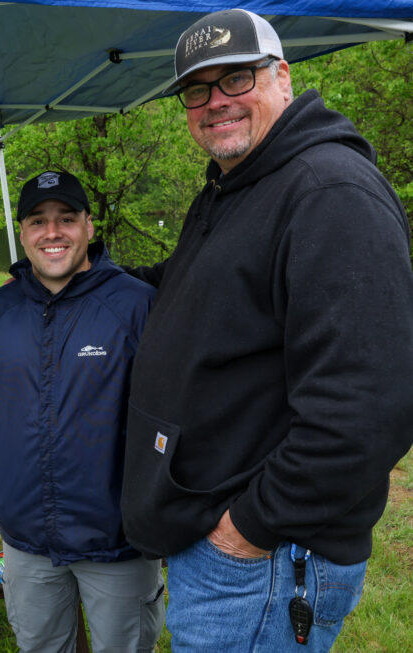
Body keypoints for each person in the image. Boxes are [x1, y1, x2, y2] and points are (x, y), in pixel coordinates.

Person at [119, 10, 413, 652]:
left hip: (266, 560)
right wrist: (82, 281)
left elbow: (368, 411)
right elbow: (194, 283)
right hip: (221, 546)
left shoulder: (329, 193)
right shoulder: (238, 185)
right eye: (198, 90)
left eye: (236, 79)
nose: (215, 103)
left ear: (281, 76)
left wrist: (245, 530)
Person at [0, 171, 164, 653]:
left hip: (117, 541)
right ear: (23, 232)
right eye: (38, 221)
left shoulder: (136, 306)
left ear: (89, 226)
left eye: (66, 219)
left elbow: (174, 412)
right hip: (26, 540)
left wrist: (152, 493)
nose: (53, 232)